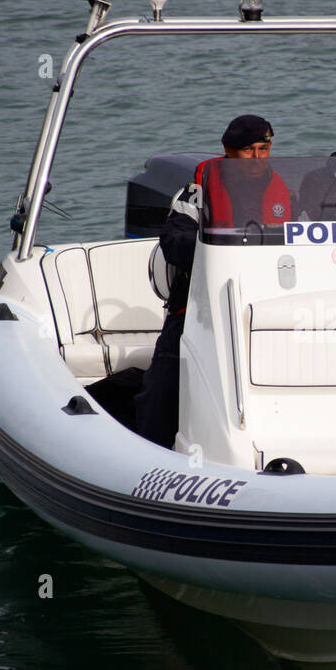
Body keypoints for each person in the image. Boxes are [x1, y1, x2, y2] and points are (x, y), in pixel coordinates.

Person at [135, 114, 287, 447]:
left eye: (264, 148)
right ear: (228, 151)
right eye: (249, 150)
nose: (258, 159)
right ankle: (147, 450)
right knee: (164, 386)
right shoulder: (197, 191)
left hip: (265, 304)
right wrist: (220, 249)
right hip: (198, 305)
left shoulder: (284, 190)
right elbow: (174, 241)